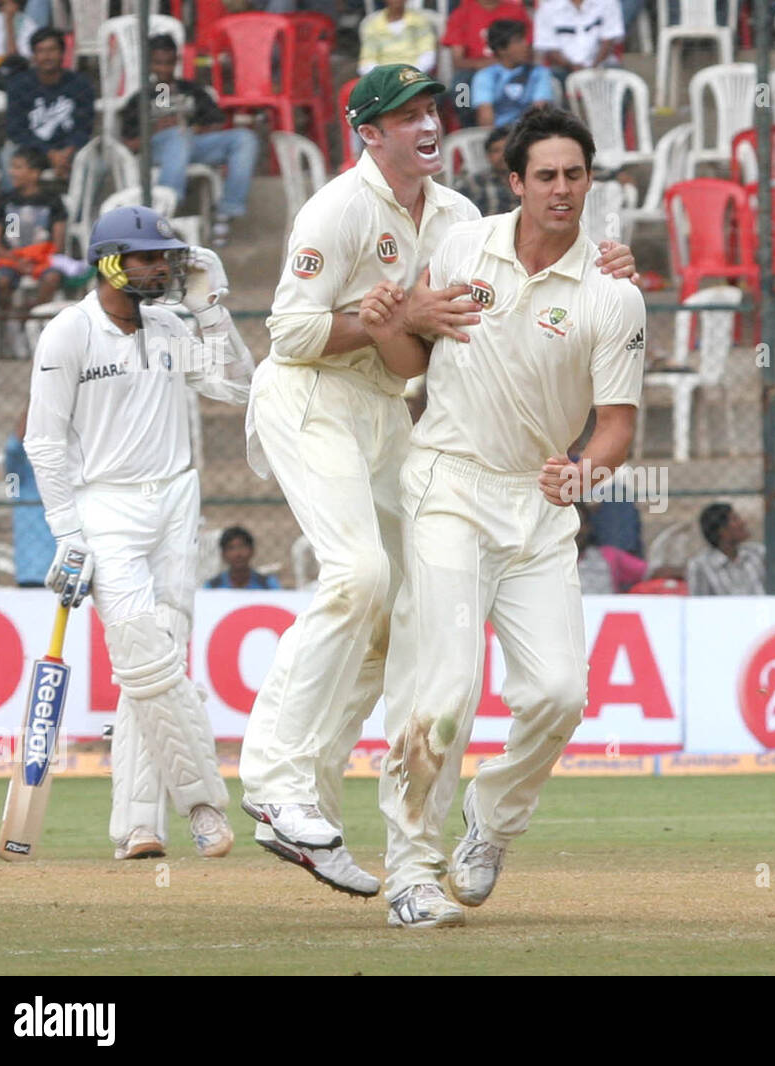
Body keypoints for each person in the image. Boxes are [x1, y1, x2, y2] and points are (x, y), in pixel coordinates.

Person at [238, 69, 636, 900]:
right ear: (368, 133)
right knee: (361, 579)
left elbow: (417, 350)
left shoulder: (454, 219)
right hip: (312, 395)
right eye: (406, 116)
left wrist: (604, 261)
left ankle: (315, 804)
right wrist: (395, 321)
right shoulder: (337, 209)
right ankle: (279, 784)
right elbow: (290, 334)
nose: (426, 126)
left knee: (392, 623)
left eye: (431, 112)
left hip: (390, 410)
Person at [369, 103, 646, 928]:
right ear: (516, 182)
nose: (562, 189)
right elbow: (411, 359)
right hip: (448, 485)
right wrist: (394, 324)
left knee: (560, 694)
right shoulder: (463, 248)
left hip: (538, 501)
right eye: (546, 175)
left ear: (590, 182)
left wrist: (585, 471)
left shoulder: (612, 293)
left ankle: (491, 818)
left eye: (575, 175)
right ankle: (410, 871)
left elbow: (617, 425)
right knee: (447, 687)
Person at [24, 204, 253, 862]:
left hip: (175, 501)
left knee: (158, 663)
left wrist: (212, 309)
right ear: (110, 263)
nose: (160, 269)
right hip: (106, 509)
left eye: (166, 258)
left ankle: (138, 826)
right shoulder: (69, 333)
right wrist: (67, 533)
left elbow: (239, 388)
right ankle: (204, 803)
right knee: (145, 659)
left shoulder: (170, 325)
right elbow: (44, 442)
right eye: (147, 258)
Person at [119, 36, 260, 248]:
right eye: (158, 63)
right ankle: (166, 210)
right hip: (157, 150)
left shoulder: (191, 90)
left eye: (169, 63)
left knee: (245, 138)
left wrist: (191, 128)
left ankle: (227, 211)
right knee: (176, 136)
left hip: (194, 144)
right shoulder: (140, 98)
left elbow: (217, 122)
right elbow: (129, 144)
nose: (164, 69)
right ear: (149, 64)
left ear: (176, 62)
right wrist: (158, 130)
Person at [0, 146, 71, 358]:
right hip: (13, 260)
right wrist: (17, 261)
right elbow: (0, 243)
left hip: (43, 259)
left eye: (18, 167)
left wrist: (37, 260)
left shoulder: (52, 202)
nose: (12, 172)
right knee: (2, 282)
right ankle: (12, 326)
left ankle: (32, 320)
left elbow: (58, 243)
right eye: (12, 167)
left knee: (52, 278)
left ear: (34, 173)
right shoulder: (7, 202)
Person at [1, 27, 94, 188]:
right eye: (41, 51)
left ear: (62, 53)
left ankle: (79, 206)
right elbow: (16, 130)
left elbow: (84, 127)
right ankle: (14, 203)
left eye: (52, 50)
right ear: (34, 56)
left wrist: (67, 152)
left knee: (96, 164)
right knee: (7, 157)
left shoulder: (80, 84)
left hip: (68, 149)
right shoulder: (19, 85)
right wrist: (49, 153)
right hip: (32, 149)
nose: (47, 56)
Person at [443, 0, 532, 121]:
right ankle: (467, 125)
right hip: (475, 69)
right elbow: (458, 61)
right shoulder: (461, 13)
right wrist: (484, 64)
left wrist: (503, 63)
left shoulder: (516, 11)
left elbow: (526, 50)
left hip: (511, 66)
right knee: (460, 85)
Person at [5, 404, 56, 588]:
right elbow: (12, 451)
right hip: (33, 572)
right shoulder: (18, 482)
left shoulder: (68, 473)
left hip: (65, 569)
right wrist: (35, 408)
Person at [471, 18, 553, 128]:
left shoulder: (539, 73)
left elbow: (540, 113)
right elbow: (486, 118)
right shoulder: (485, 76)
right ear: (501, 49)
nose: (526, 44)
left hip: (529, 132)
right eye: (518, 41)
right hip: (498, 133)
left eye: (524, 39)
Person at [534, 0, 624, 85]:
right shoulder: (547, 9)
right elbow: (550, 49)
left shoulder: (608, 2)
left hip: (601, 66)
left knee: (618, 75)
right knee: (549, 79)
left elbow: (609, 40)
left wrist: (592, 68)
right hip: (565, 69)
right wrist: (573, 67)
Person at [575, 501, 646, 593]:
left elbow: (648, 571)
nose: (574, 530)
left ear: (588, 526)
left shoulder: (609, 556)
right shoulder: (556, 561)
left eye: (579, 523)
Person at [358, 0, 440, 76]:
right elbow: (367, 60)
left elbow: (427, 55)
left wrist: (410, 74)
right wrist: (382, 76)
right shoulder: (373, 24)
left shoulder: (420, 21)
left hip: (415, 76)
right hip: (382, 78)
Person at [453, 123, 515, 214]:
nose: (502, 155)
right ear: (488, 156)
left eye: (507, 149)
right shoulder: (474, 183)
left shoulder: (526, 179)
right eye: (496, 151)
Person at [205, 525, 282, 589]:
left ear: (252, 550)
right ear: (223, 554)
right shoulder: (212, 587)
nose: (238, 554)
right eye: (231, 548)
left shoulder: (268, 585)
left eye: (242, 546)